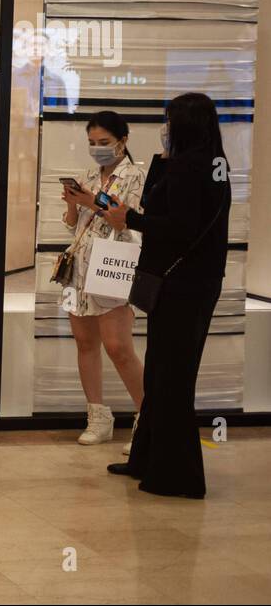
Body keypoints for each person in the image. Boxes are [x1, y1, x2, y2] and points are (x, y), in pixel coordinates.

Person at [103, 92, 230, 498]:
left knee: (172, 377)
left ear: (186, 125)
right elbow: (166, 204)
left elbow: (177, 226)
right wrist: (163, 160)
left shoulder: (193, 167)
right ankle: (148, 459)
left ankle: (177, 475)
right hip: (189, 282)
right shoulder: (209, 162)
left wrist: (129, 218)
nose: (166, 128)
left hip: (185, 285)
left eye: (171, 121)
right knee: (160, 373)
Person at [59, 111, 145, 450]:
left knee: (118, 347)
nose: (98, 148)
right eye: (92, 143)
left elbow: (126, 220)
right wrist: (72, 203)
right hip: (79, 267)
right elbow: (72, 223)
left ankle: (148, 418)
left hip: (113, 266)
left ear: (123, 141)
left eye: (104, 142)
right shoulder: (88, 176)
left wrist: (90, 201)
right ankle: (97, 416)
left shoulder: (135, 176)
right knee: (85, 343)